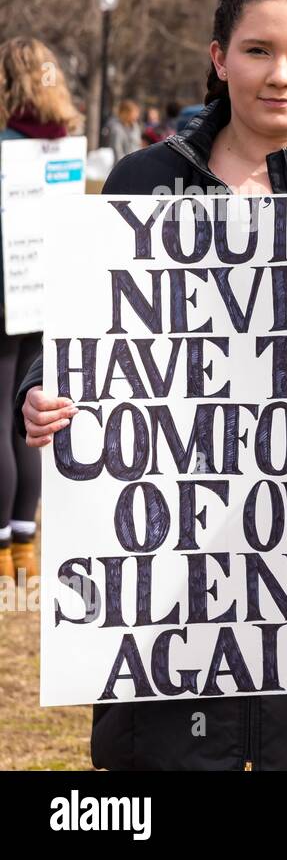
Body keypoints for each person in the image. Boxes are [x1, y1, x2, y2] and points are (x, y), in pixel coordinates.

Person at [18, 0, 287, 770]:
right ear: (219, 58)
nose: (278, 74)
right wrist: (36, 394)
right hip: (170, 603)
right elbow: (84, 335)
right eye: (256, 50)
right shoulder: (146, 181)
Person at [0, 36, 81, 586]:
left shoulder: (5, 143)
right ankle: (25, 543)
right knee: (26, 421)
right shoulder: (65, 145)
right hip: (47, 291)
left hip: (6, 294)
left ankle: (2, 550)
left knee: (0, 422)